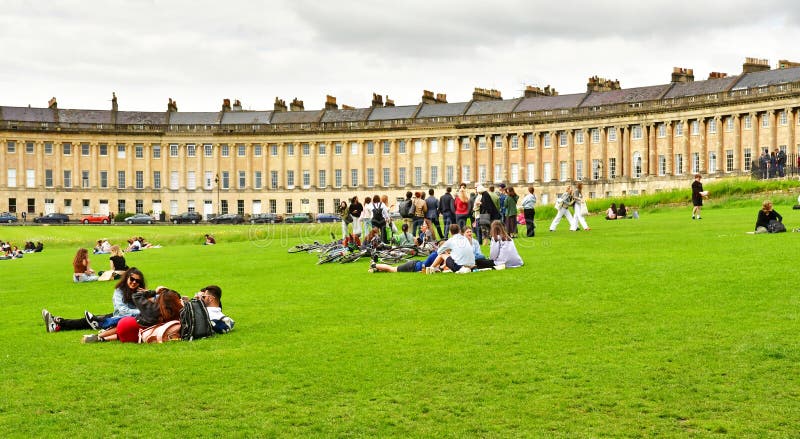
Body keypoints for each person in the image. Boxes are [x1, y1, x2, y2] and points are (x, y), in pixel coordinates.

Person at [43, 267, 146, 332]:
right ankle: (58, 323)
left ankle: (58, 323)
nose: (134, 282)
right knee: (89, 321)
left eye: (137, 281)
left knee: (92, 321)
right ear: (127, 278)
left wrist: (148, 295)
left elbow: (151, 307)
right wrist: (141, 311)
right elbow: (123, 310)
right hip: (119, 316)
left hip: (123, 318)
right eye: (132, 279)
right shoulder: (119, 290)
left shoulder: (141, 292)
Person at [84, 287, 183, 343]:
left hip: (127, 325)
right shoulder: (176, 314)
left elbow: (136, 296)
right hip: (137, 335)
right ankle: (103, 339)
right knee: (130, 332)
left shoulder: (151, 308)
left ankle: (99, 335)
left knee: (126, 324)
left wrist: (154, 292)